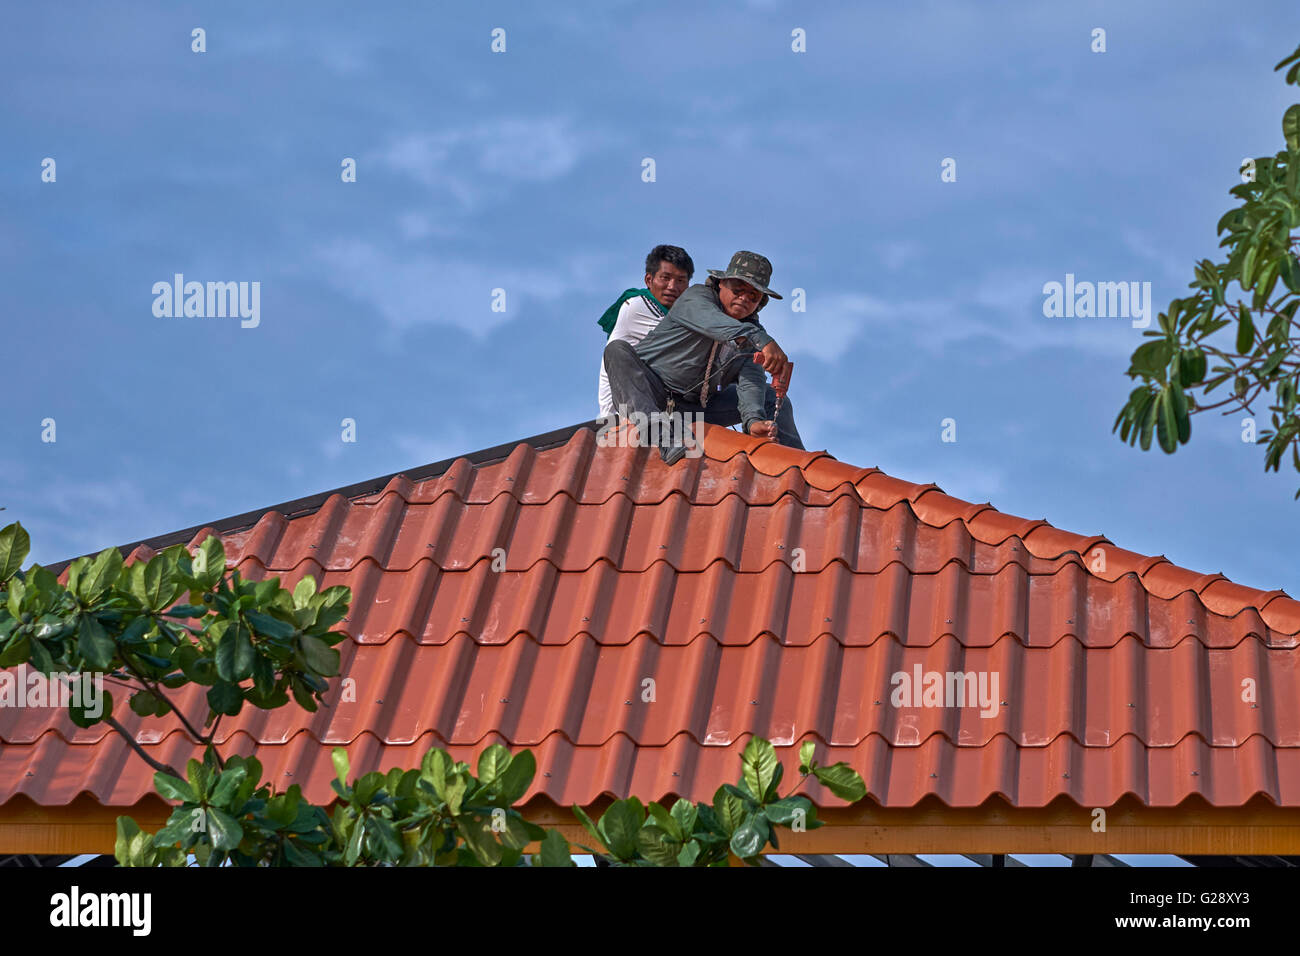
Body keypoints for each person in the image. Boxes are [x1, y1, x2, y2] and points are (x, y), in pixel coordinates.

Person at [604, 250, 803, 464]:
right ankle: (662, 437)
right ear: (721, 284)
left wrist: (754, 421)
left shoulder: (751, 337)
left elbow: (751, 382)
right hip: (652, 395)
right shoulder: (697, 298)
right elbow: (713, 323)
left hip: (694, 407)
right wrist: (763, 340)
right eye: (738, 290)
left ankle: (801, 466)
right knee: (617, 350)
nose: (744, 298)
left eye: (753, 296)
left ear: (760, 303)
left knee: (770, 397)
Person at [596, 245, 693, 417]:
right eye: (665, 278)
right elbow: (686, 346)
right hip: (625, 413)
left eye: (680, 281)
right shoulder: (637, 306)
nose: (672, 286)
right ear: (649, 280)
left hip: (666, 402)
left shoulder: (678, 314)